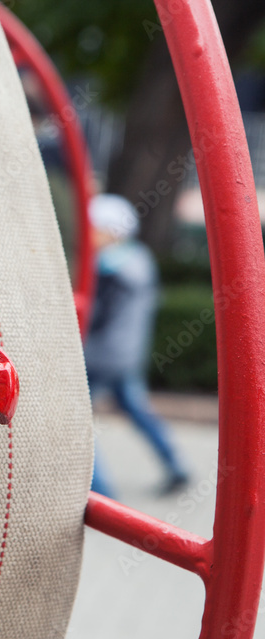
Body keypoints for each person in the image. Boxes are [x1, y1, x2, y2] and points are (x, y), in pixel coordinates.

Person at [84, 194, 190, 497]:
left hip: (101, 355)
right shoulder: (140, 261)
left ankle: (101, 490)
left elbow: (96, 315)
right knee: (136, 409)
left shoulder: (108, 269)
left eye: (95, 228)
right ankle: (176, 464)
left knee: (80, 421)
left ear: (112, 231)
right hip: (127, 354)